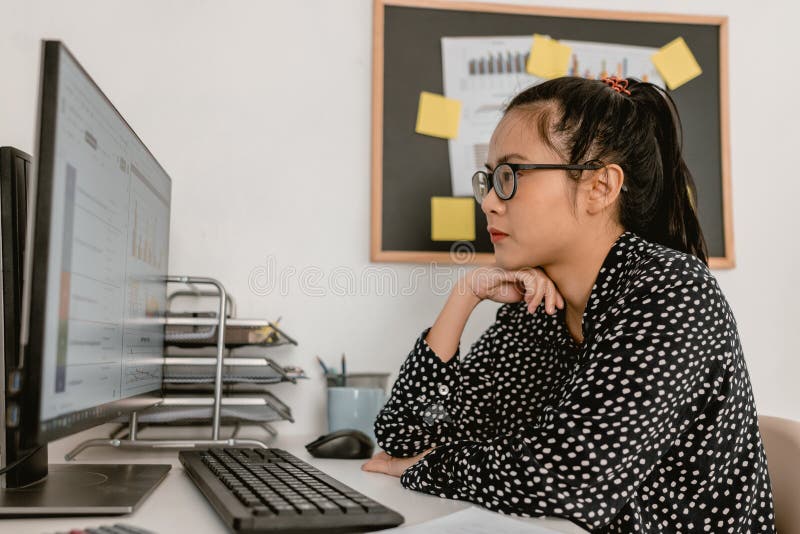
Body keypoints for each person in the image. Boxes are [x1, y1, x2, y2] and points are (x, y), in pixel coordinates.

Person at [362, 76, 776, 533]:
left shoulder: (670, 291)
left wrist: (433, 467)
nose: (489, 203)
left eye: (511, 176)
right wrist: (464, 298)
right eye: (489, 179)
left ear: (600, 187)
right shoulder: (538, 308)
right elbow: (404, 437)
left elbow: (565, 479)